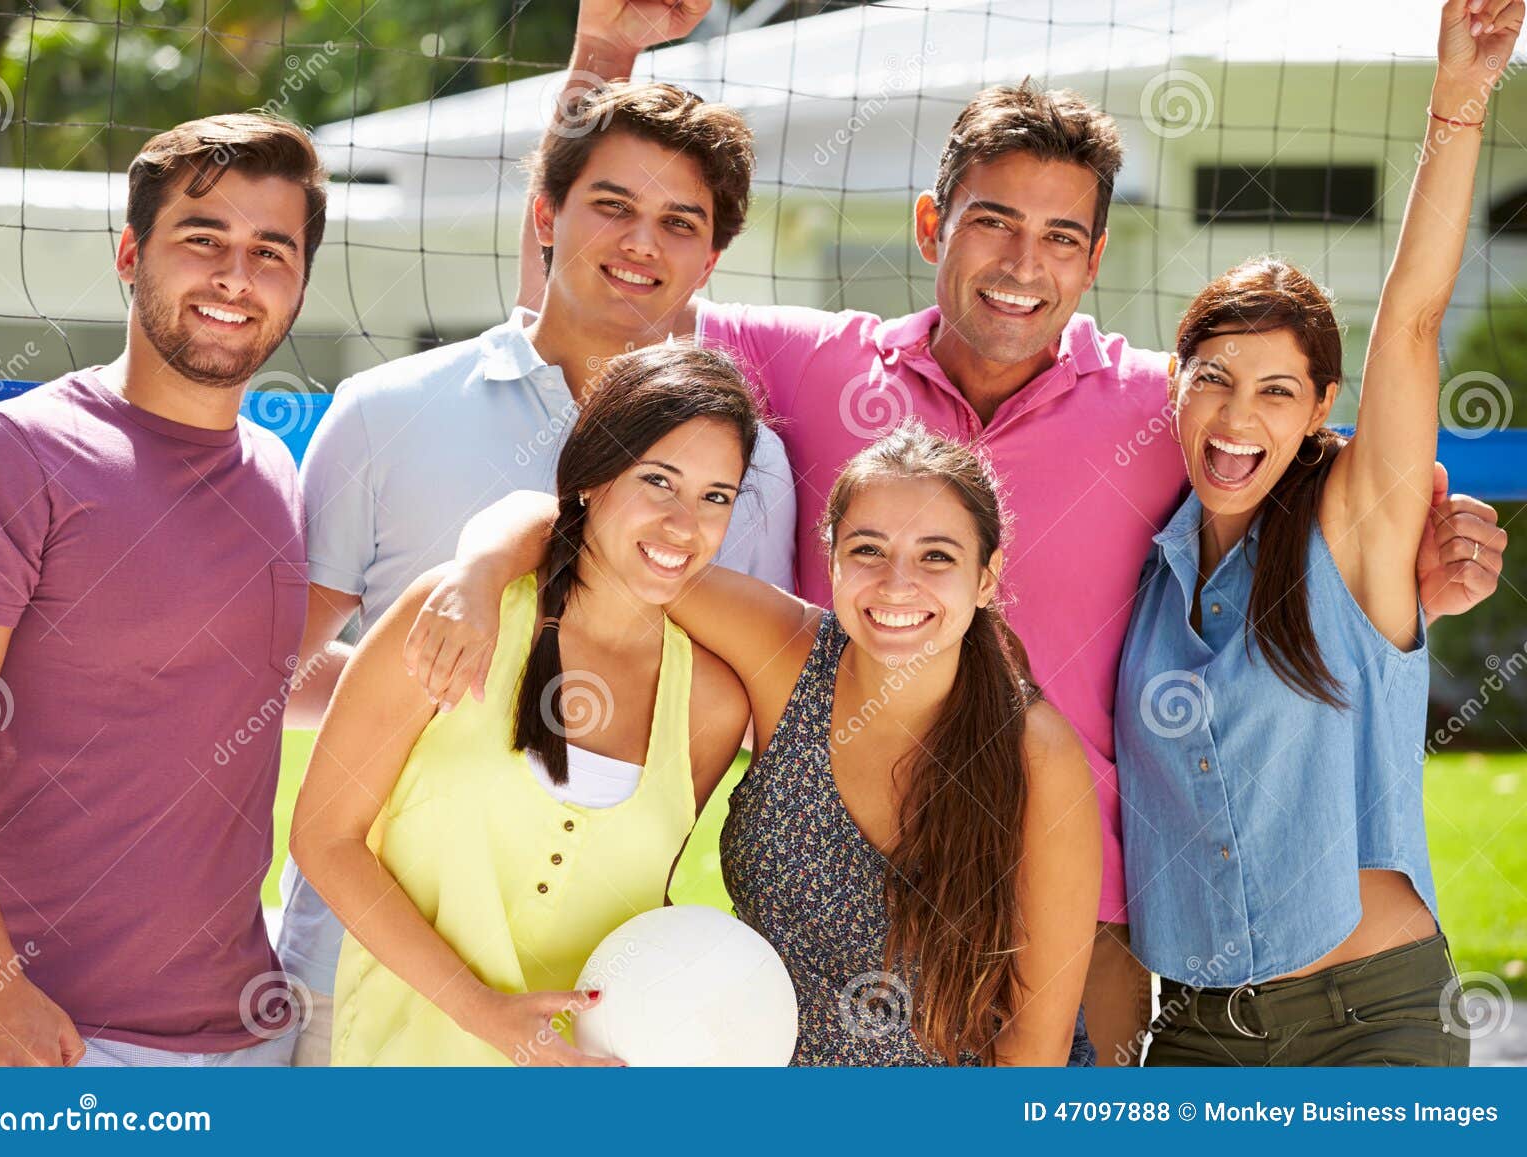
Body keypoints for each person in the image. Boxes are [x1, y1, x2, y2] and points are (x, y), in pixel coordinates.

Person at [454, 0, 1511, 1064]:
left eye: (1060, 236)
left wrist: (1414, 569)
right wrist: (603, 57)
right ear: (931, 227)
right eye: (993, 221)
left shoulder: (1169, 407)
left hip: (1085, 917)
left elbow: (1300, 443)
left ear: (1094, 260)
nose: (1023, 262)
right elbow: (591, 307)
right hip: (836, 905)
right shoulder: (812, 364)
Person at [274, 74, 797, 1066]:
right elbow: (264, 682)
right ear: (546, 215)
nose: (642, 243)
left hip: (578, 1041)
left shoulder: (756, 463)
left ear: (712, 256)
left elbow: (705, 672)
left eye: (678, 220)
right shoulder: (386, 412)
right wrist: (433, 675)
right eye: (612, 205)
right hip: (355, 985)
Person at [424, 422, 1101, 1065]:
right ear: (830, 560)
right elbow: (582, 529)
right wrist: (476, 577)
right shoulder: (787, 653)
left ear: (986, 578)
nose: (899, 582)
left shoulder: (1034, 753)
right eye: (868, 549)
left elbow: (1031, 1052)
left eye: (937, 556)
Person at [1115, 0, 1520, 1067]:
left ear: (1319, 409)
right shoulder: (1148, 569)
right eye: (1213, 380)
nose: (1238, 418)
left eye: (1277, 391)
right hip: (1195, 1030)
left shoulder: (1349, 532)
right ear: (1175, 382)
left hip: (1366, 1023)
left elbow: (1417, 315)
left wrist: (1460, 97)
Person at [0, 114, 326, 1066]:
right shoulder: (9, 455)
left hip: (239, 1038)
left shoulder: (274, 467)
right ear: (130, 253)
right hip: (36, 1038)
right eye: (204, 241)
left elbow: (252, 673)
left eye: (272, 251)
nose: (237, 277)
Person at [289, 345, 757, 1065]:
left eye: (716, 496)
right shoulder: (455, 616)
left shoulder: (711, 705)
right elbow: (324, 838)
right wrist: (484, 1012)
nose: (682, 522)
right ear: (594, 478)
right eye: (657, 480)